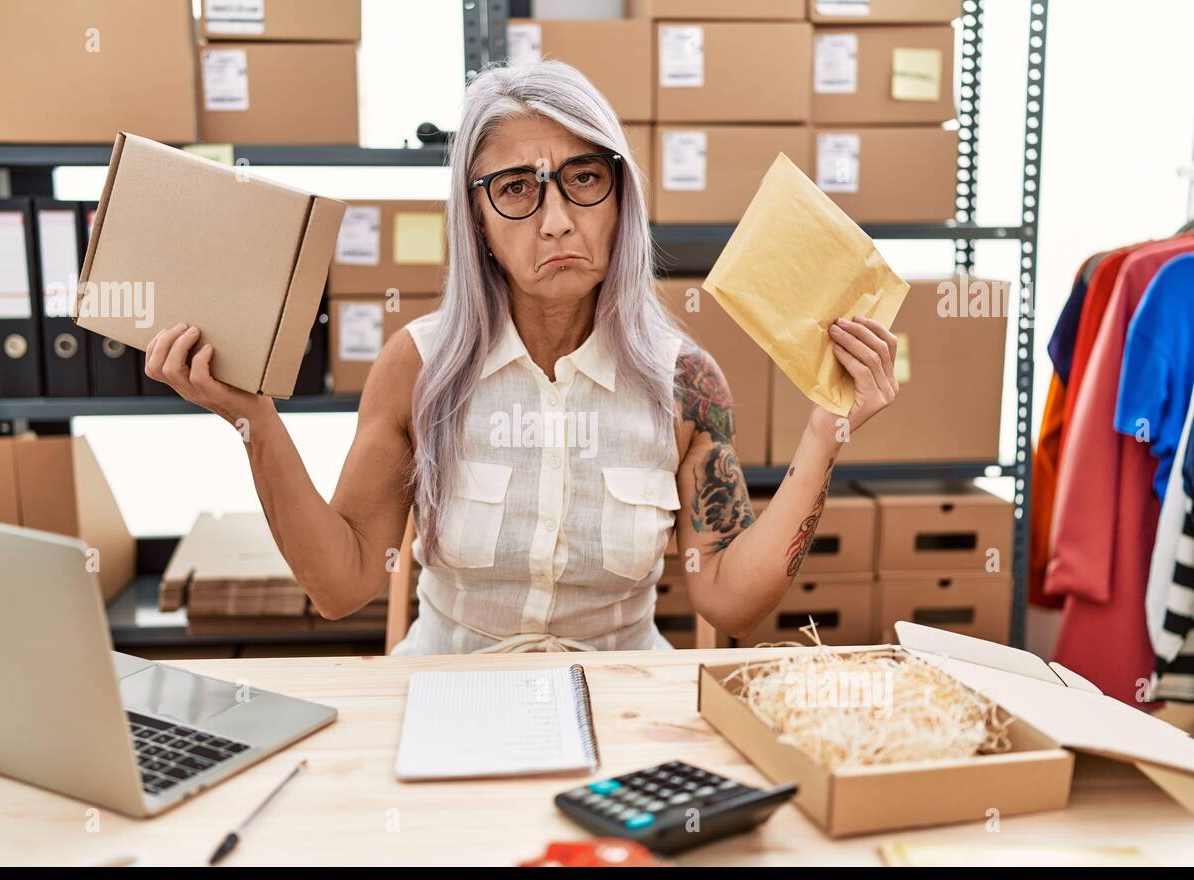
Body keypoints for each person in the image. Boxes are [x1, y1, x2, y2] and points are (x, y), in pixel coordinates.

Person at [143, 61, 899, 655]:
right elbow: (341, 587)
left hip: (619, 689)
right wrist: (254, 422)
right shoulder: (418, 368)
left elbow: (731, 599)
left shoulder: (686, 381)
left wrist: (827, 430)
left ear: (620, 197)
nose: (557, 222)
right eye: (516, 190)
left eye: (584, 179)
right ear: (476, 217)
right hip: (447, 685)